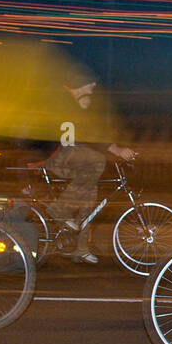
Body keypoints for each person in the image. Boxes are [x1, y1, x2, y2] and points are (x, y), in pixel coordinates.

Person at [42, 70, 137, 264]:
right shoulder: (62, 100)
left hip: (73, 157)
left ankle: (81, 248)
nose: (92, 91)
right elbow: (90, 132)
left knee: (89, 199)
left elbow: (91, 131)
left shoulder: (76, 106)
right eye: (90, 86)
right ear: (78, 85)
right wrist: (116, 150)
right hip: (57, 156)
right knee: (97, 160)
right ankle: (59, 210)